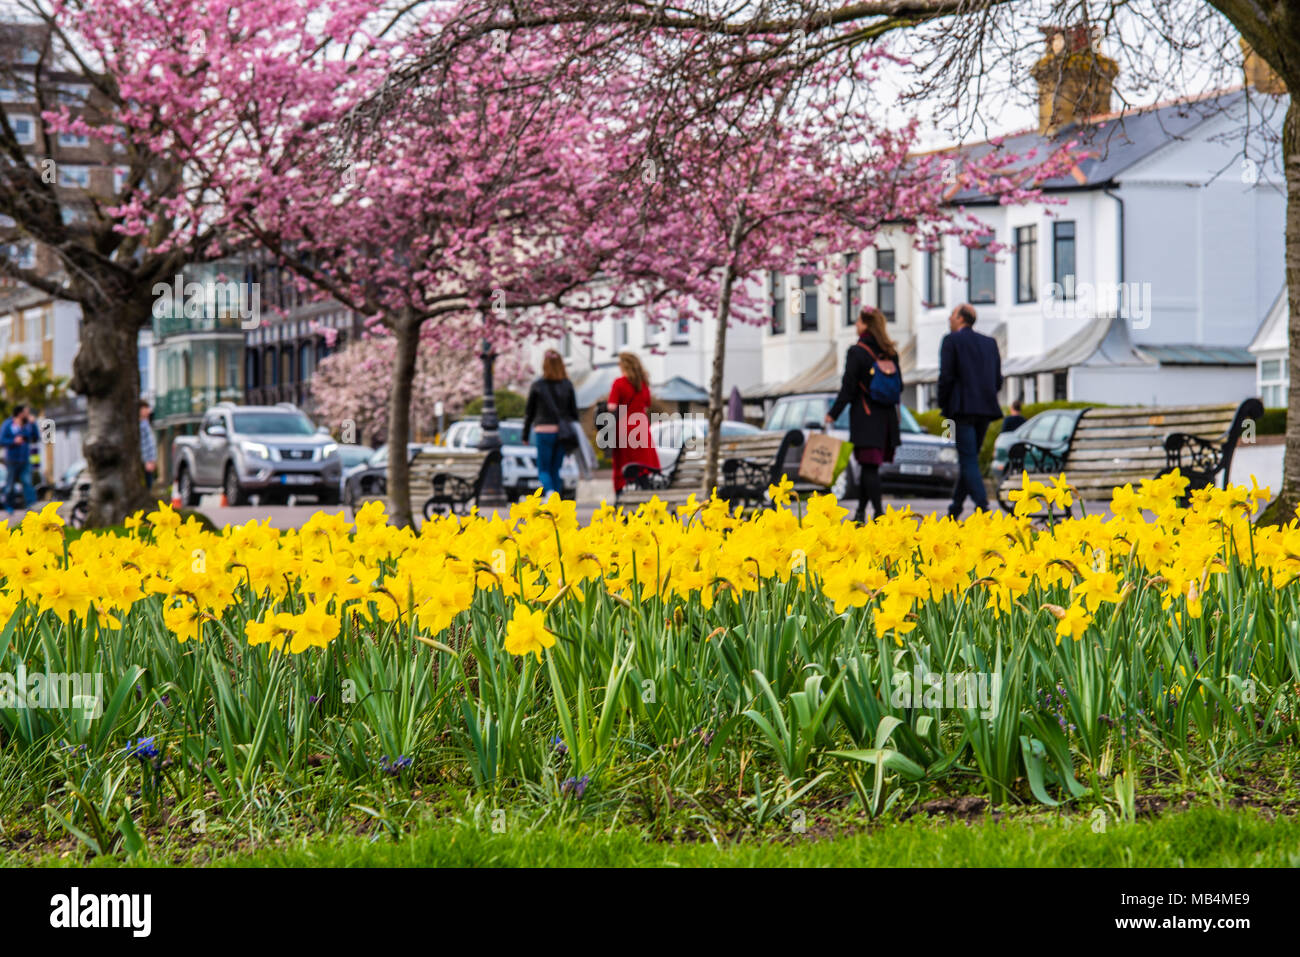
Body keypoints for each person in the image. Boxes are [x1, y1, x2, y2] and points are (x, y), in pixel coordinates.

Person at [826, 306, 903, 524]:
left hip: (866, 418)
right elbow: (900, 387)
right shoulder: (890, 352)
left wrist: (833, 413)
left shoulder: (856, 352)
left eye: (858, 322)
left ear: (866, 325)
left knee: (868, 468)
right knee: (869, 466)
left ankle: (878, 515)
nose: (855, 325)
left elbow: (848, 388)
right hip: (887, 419)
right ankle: (860, 513)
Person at [938, 303, 1003, 519]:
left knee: (968, 459)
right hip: (985, 408)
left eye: (952, 315)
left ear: (960, 318)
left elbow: (946, 377)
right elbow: (997, 379)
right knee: (970, 459)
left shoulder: (951, 341)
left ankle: (983, 508)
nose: (949, 319)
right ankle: (954, 509)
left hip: (961, 408)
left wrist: (943, 404)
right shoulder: (989, 343)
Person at [522, 350, 578, 498]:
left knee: (543, 469)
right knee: (555, 469)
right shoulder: (567, 385)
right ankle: (556, 500)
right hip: (562, 432)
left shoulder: (538, 385)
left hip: (544, 431)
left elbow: (529, 413)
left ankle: (549, 492)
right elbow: (574, 413)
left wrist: (525, 434)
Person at [607, 351, 660, 496]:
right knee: (643, 466)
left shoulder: (619, 383)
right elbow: (647, 404)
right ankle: (645, 498)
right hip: (641, 427)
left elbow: (612, 406)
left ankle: (621, 500)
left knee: (622, 466)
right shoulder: (643, 384)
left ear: (623, 365)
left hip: (624, 428)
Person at [0, 404, 37, 515]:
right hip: (12, 460)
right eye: (26, 412)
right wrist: (13, 441)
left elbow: (36, 437)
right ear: (20, 413)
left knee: (27, 482)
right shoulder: (8, 425)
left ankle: (31, 506)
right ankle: (8, 505)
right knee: (10, 484)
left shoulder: (27, 425)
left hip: (24, 459)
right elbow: (1, 440)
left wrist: (33, 424)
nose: (28, 414)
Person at [140, 400, 157, 492]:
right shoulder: (141, 425)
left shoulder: (145, 423)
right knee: (146, 484)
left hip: (148, 460)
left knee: (149, 483)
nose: (148, 411)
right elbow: (144, 445)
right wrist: (147, 460)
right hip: (145, 462)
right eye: (145, 408)